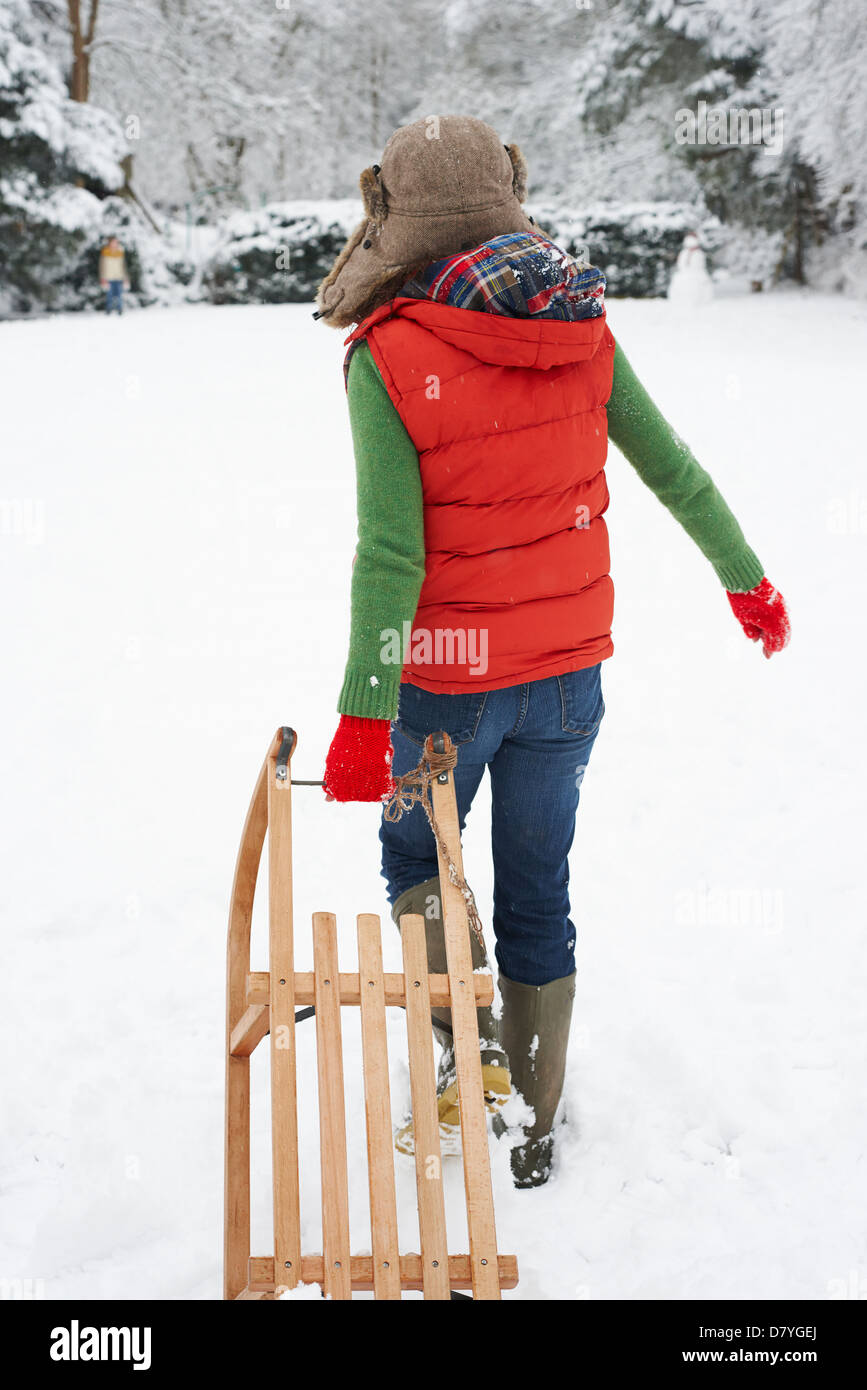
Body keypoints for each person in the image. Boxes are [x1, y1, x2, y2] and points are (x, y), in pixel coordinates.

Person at [315, 116, 790, 1188]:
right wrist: (745, 577)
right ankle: (531, 1119)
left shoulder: (385, 354)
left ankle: (466, 1061)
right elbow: (675, 467)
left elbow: (390, 555)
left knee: (414, 859)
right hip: (569, 680)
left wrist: (362, 711)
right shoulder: (581, 325)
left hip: (443, 682)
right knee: (539, 888)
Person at [668, 229, 714, 306]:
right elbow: (681, 264)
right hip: (685, 275)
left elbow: (700, 265)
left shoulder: (699, 254)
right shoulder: (684, 253)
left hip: (696, 275)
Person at [99, 236, 129, 314]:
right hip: (108, 277)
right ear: (110, 243)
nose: (115, 244)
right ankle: (108, 310)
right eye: (114, 242)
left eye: (116, 242)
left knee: (119, 295)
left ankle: (120, 310)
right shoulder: (105, 252)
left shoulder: (120, 252)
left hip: (119, 277)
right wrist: (102, 278)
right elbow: (102, 266)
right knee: (109, 295)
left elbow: (123, 267)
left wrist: (126, 278)